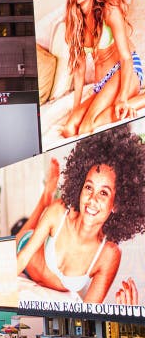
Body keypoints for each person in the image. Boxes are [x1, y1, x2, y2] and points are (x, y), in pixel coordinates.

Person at [16, 130, 145, 304]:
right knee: (20, 237)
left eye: (104, 193)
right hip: (27, 254)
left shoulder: (109, 254)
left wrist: (126, 314)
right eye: (89, 187)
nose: (92, 199)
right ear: (80, 187)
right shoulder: (60, 212)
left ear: (117, 204)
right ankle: (46, 197)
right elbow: (23, 258)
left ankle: (46, 196)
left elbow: (90, 312)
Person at [56, 0, 145, 139]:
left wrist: (122, 97)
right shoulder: (75, 26)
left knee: (88, 126)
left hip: (125, 71)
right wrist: (76, 107)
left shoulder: (109, 10)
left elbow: (126, 58)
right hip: (101, 84)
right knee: (70, 128)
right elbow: (79, 71)